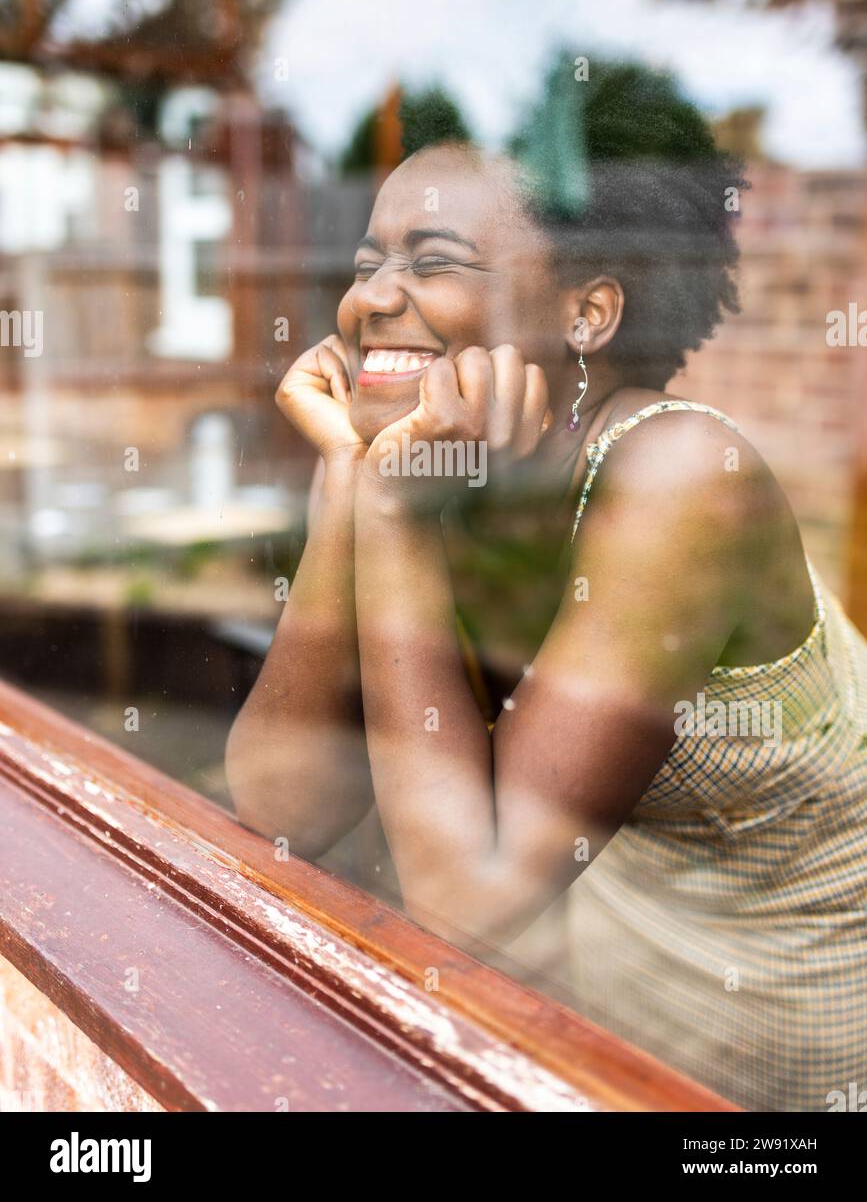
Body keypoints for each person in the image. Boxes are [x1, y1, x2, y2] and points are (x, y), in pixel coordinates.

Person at [226, 72, 867, 1112]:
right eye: (367, 263)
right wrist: (352, 476)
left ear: (588, 309)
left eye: (431, 262)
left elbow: (465, 897)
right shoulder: (441, 456)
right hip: (619, 1036)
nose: (369, 298)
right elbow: (283, 797)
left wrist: (385, 507)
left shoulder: (681, 474)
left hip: (795, 1072)